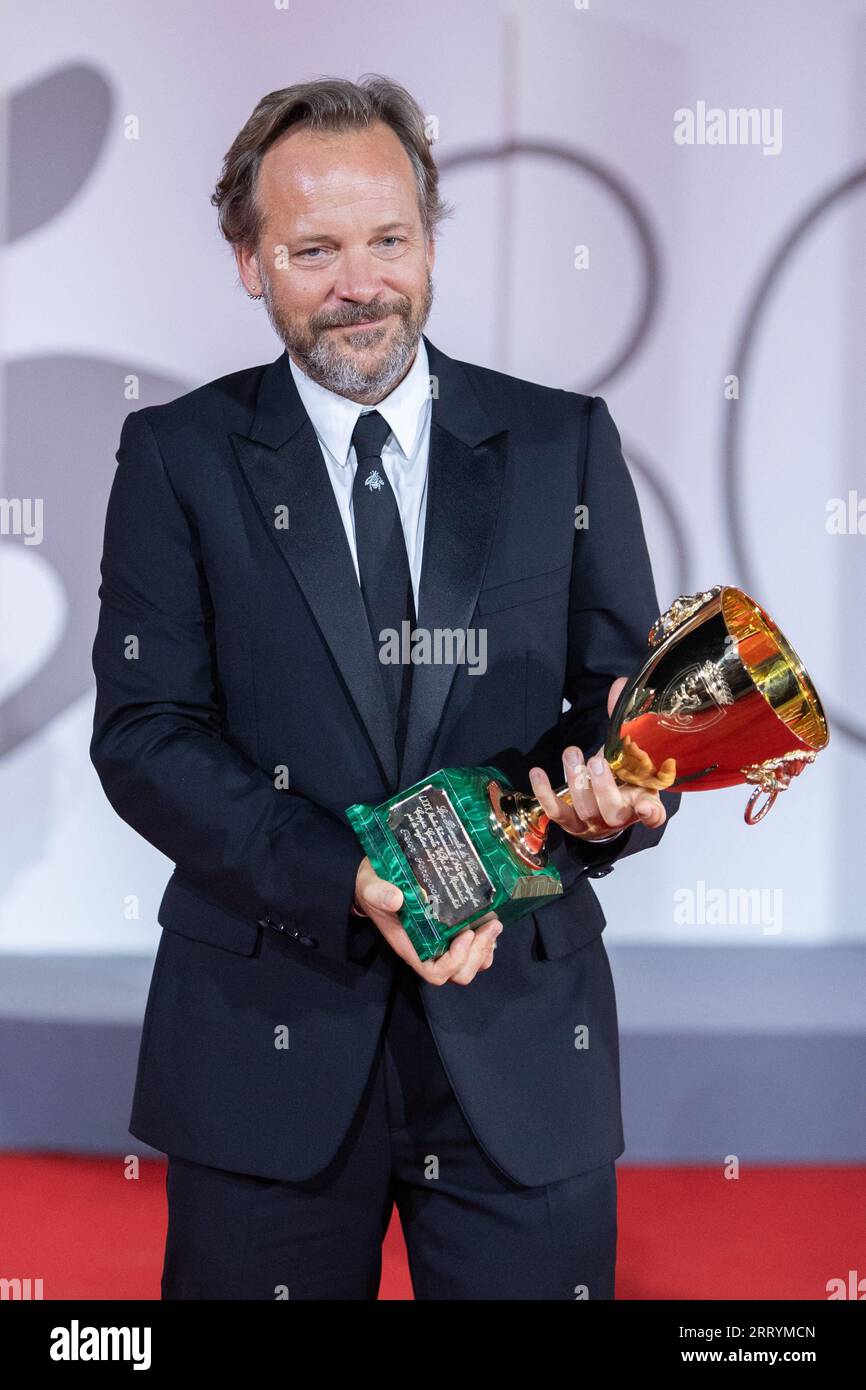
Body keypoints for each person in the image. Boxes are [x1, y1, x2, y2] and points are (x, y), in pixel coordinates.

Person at [89, 74, 681, 1301]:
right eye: (313, 249)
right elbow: (146, 734)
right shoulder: (178, 459)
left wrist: (611, 796)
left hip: (519, 1026)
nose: (360, 283)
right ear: (248, 260)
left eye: (389, 240)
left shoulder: (562, 443)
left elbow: (611, 708)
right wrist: (343, 878)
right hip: (267, 1027)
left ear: (427, 239)